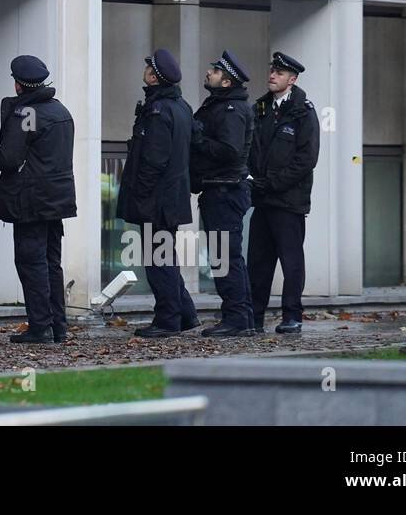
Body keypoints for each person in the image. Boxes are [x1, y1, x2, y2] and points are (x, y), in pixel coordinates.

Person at [0, 55, 76, 344]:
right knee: (52, 263)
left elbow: (11, 157)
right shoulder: (60, 111)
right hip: (56, 201)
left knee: (31, 262)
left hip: (30, 201)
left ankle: (40, 326)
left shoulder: (26, 114)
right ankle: (58, 326)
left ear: (19, 85)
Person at [117, 49, 199, 338]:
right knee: (165, 258)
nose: (145, 71)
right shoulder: (182, 107)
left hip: (157, 201)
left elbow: (154, 159)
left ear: (154, 76)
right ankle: (185, 315)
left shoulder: (158, 111)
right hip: (171, 199)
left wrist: (139, 193)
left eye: (148, 68)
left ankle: (167, 320)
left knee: (158, 262)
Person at [249, 51, 321, 334]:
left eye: (278, 73)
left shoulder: (303, 112)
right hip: (263, 198)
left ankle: (292, 315)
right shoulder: (261, 108)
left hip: (289, 201)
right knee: (258, 262)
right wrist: (257, 180)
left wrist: (274, 182)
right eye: (271, 71)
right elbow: (253, 149)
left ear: (292, 79)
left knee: (291, 261)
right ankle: (254, 316)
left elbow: (306, 159)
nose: (272, 76)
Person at [192, 50, 256, 337]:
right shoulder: (220, 105)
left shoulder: (231, 110)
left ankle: (237, 319)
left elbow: (229, 152)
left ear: (227, 82)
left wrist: (198, 140)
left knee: (225, 257)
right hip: (218, 189)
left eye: (216, 71)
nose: (209, 73)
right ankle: (240, 316)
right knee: (225, 257)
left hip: (225, 191)